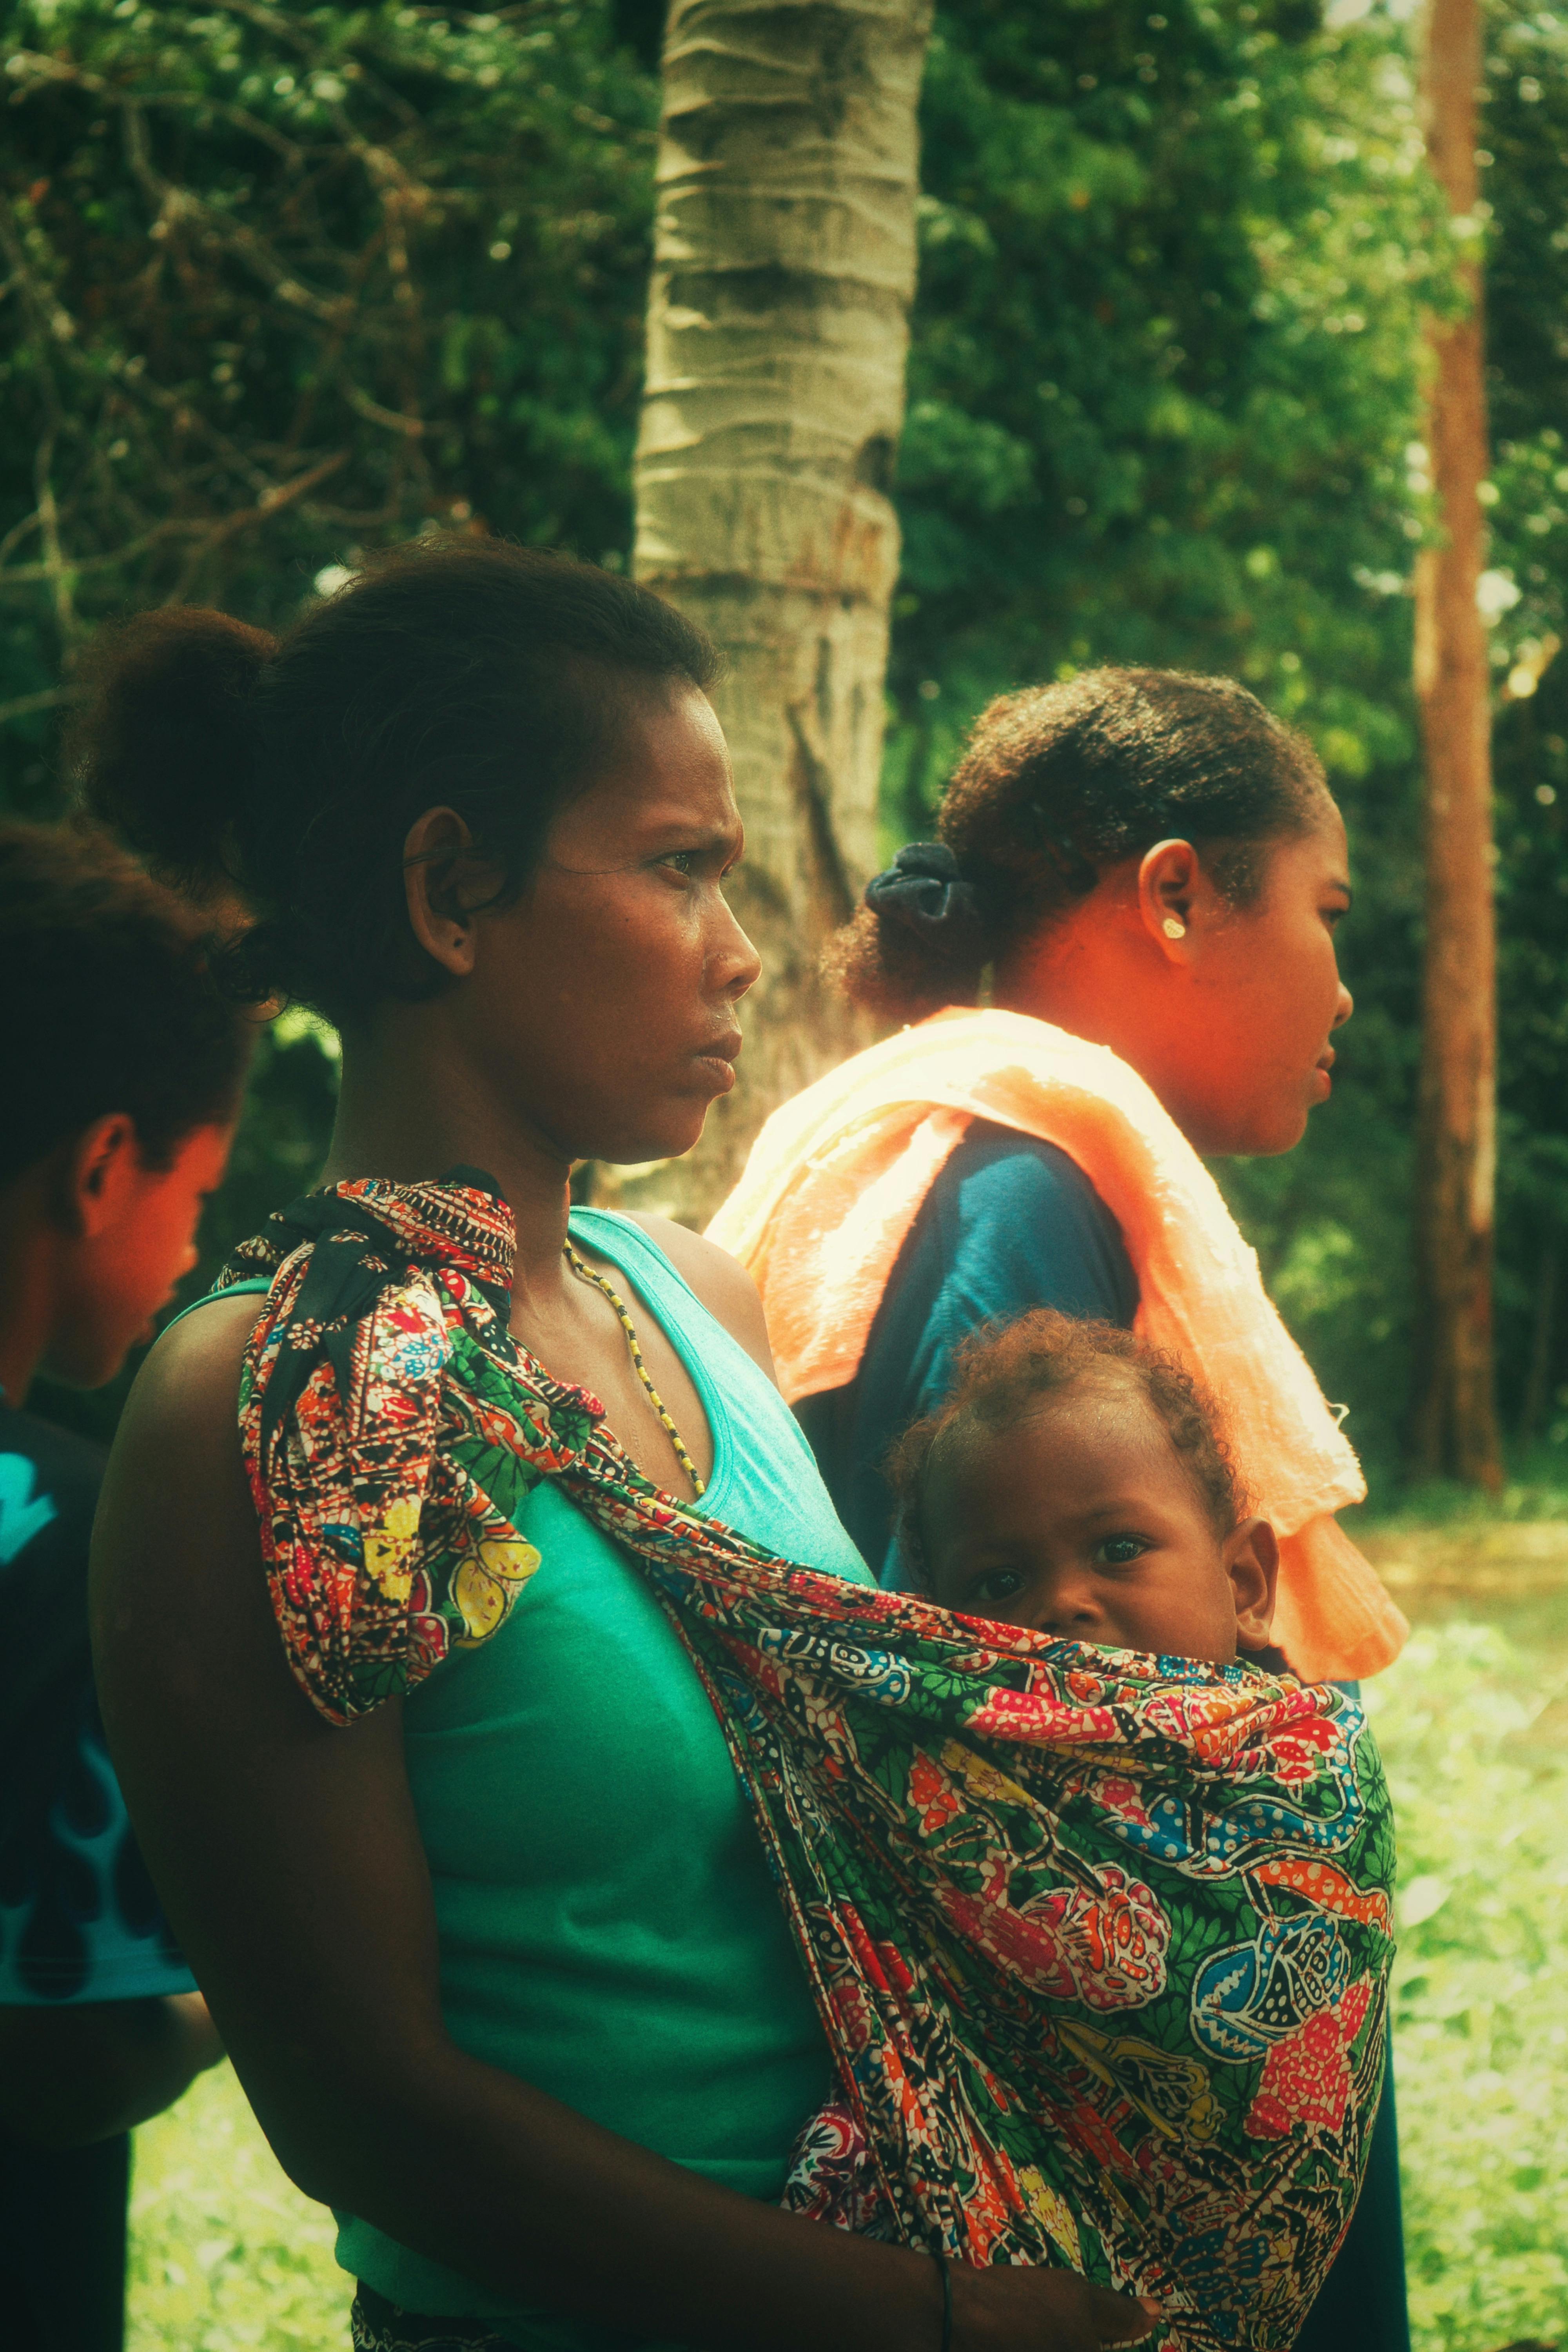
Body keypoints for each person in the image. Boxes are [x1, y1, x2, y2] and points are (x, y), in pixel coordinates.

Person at [79, 544, 1164, 2352]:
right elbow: (370, 2114)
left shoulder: (696, 1293)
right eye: (677, 870)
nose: (742, 953)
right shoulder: (277, 1397)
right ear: (448, 889)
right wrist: (938, 2318)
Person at [707, 668, 1411, 2352]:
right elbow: (1002, 1725)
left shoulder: (945, 1153)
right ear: (1173, 892)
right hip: (1111, 2154)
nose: (1341, 978)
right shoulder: (1010, 1194)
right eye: (1323, 911)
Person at [0, 819, 245, 2351]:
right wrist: (249, 2001)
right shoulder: (58, 1535)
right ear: (103, 1166)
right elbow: (61, 2062)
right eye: (199, 1196)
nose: (192, 1250)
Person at [887, 1308, 1279, 1661]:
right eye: (1000, 1584)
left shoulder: (1313, 1737)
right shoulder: (913, 1736)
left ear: (1243, 1587)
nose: (1062, 1603)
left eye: (1119, 1550)